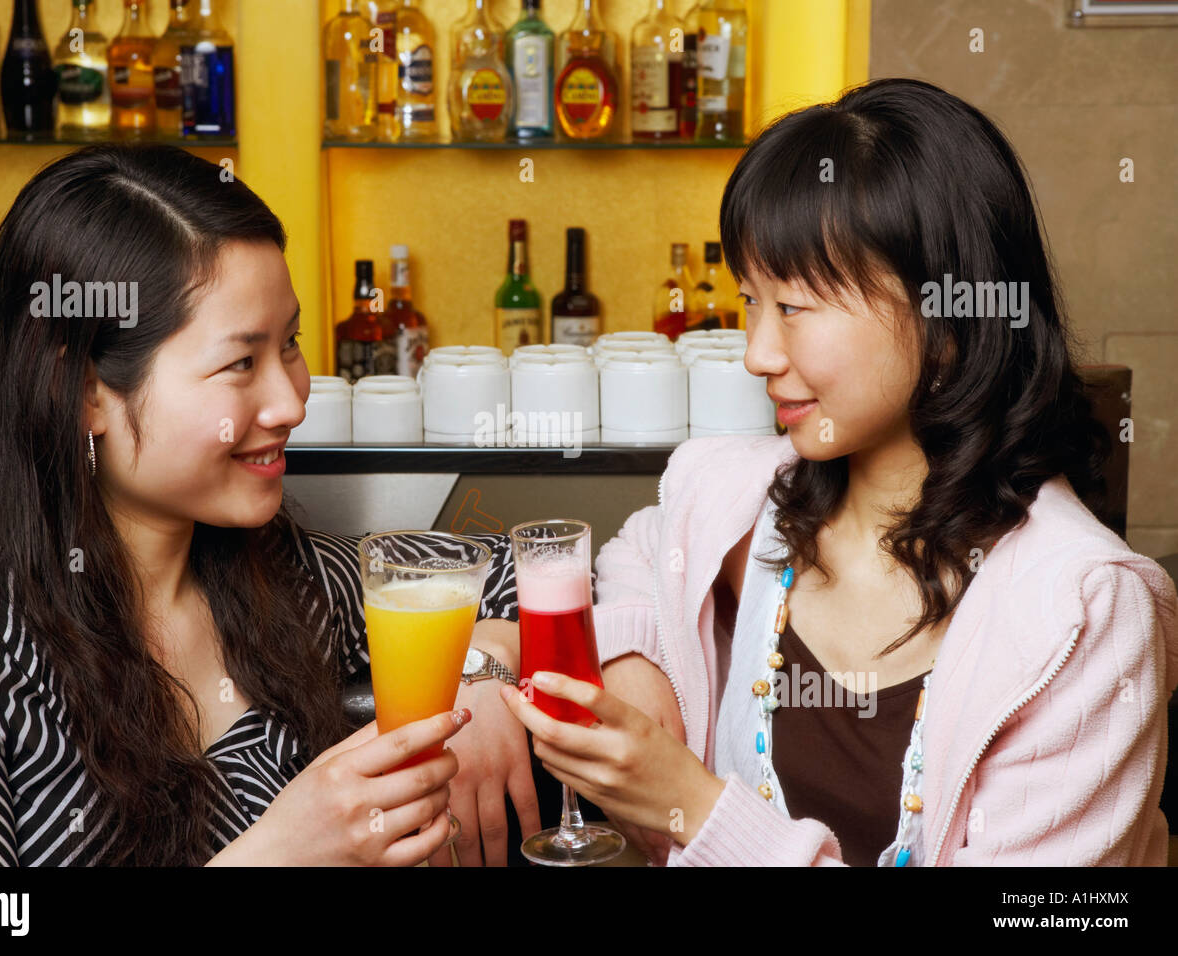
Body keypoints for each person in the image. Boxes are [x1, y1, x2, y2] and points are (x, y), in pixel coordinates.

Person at [497, 78, 1178, 865]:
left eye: (794, 308)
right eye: (749, 301)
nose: (757, 353)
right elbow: (639, 562)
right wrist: (634, 665)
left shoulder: (1085, 614)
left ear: (949, 318)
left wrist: (690, 806)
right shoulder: (734, 499)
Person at [0, 143, 535, 866]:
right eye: (240, 363)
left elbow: (532, 574)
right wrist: (278, 855)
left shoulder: (293, 580)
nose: (290, 402)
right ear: (86, 391)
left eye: (290, 344)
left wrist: (478, 669)